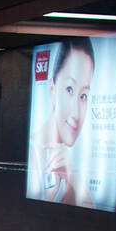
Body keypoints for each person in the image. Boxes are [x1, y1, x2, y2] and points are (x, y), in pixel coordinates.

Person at [27, 37, 95, 206]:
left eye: (83, 96)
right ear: (52, 89)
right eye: (69, 89)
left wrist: (74, 179)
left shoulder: (66, 162)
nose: (76, 113)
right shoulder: (32, 151)